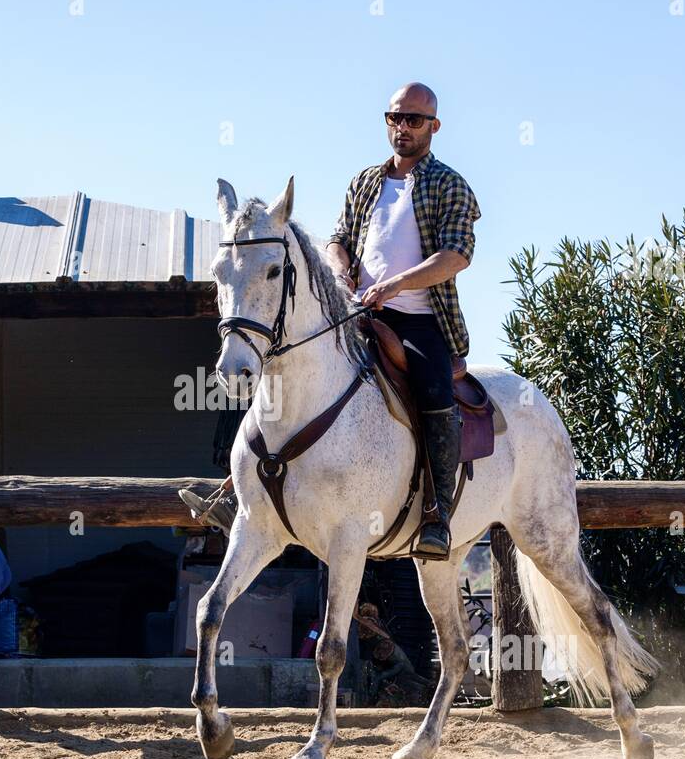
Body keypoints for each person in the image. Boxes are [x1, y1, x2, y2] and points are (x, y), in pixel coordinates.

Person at [182, 82, 481, 560]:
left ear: (434, 127)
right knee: (287, 366)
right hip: (358, 310)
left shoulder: (450, 185)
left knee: (433, 389)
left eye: (414, 120)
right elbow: (339, 237)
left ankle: (437, 515)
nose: (402, 127)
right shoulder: (365, 181)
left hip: (420, 319)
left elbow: (455, 256)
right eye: (395, 118)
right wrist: (341, 266)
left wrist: (395, 285)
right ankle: (240, 495)